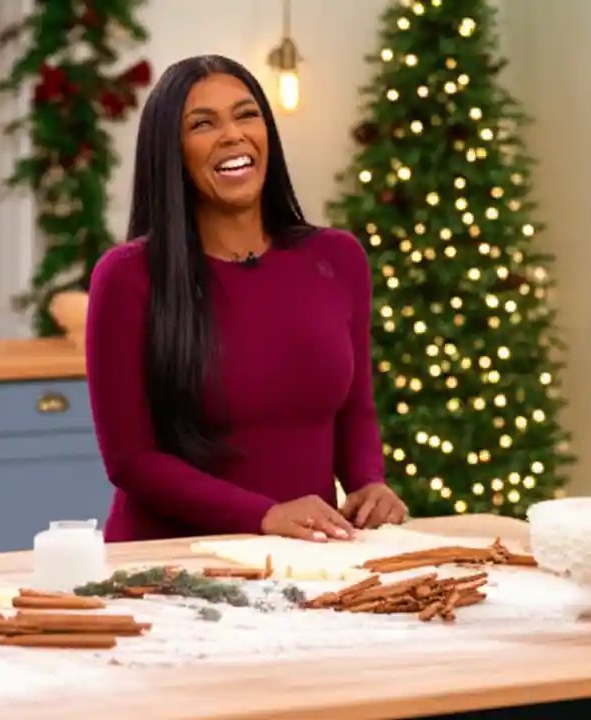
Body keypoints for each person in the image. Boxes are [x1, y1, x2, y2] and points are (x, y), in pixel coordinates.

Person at [85, 54, 407, 545]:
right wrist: (264, 515)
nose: (232, 134)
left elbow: (354, 410)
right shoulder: (128, 277)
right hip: (171, 564)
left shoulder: (337, 258)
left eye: (246, 114)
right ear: (171, 151)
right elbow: (131, 459)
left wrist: (368, 482)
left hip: (309, 559)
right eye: (202, 123)